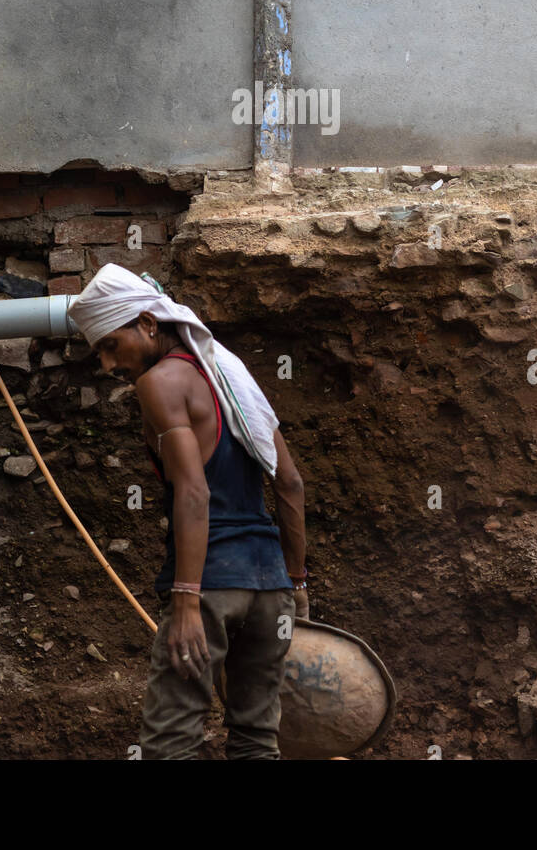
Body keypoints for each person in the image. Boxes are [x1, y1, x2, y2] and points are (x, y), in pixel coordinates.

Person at [68, 263, 308, 760]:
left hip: (210, 588)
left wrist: (185, 604)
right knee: (256, 741)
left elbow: (194, 493)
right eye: (99, 354)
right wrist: (297, 584)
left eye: (111, 345)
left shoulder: (160, 383)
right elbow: (290, 482)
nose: (110, 365)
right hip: (270, 589)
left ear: (148, 325)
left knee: (171, 746)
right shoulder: (229, 376)